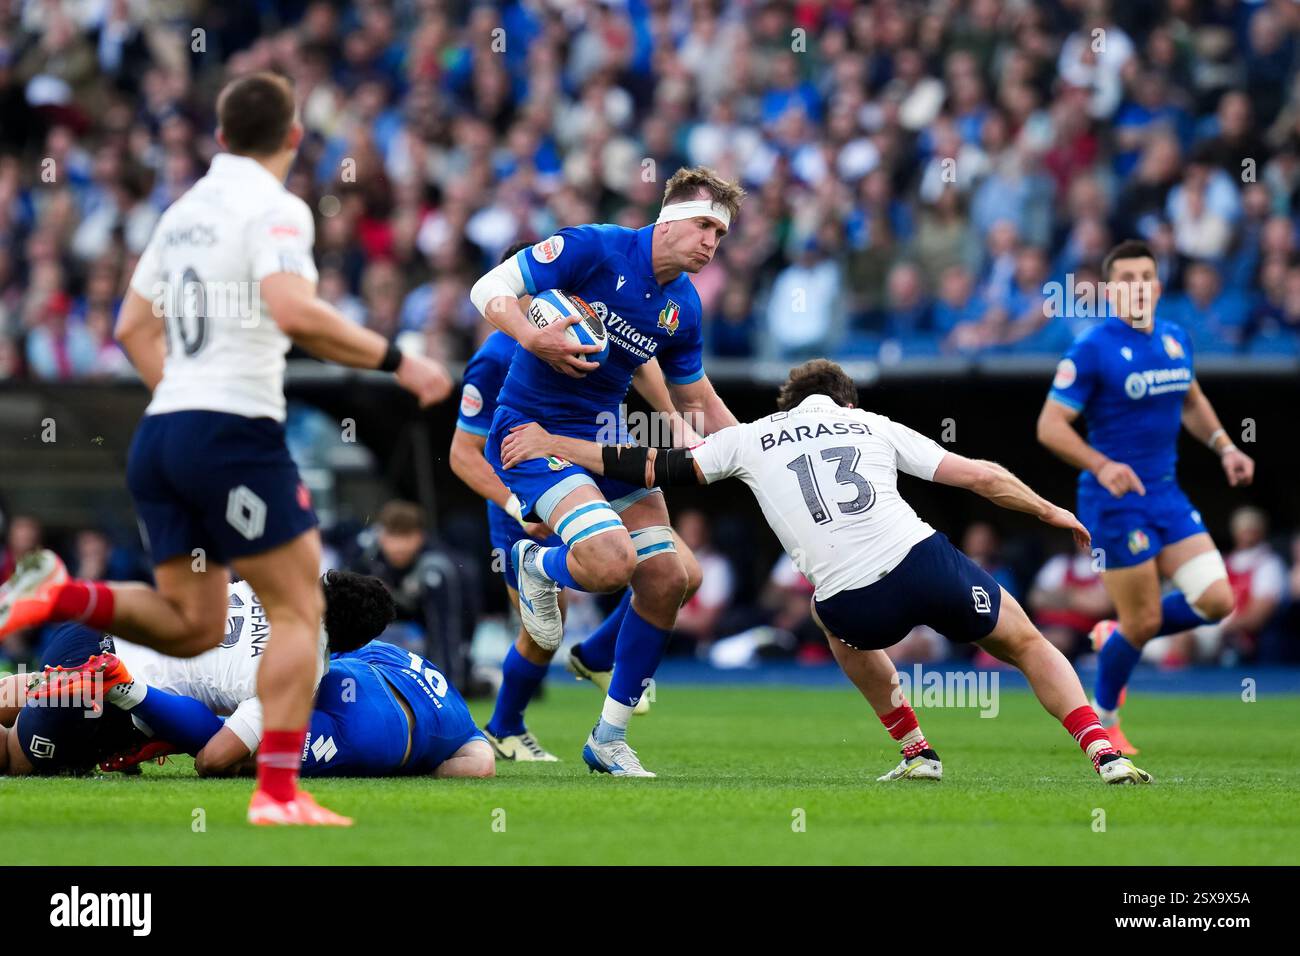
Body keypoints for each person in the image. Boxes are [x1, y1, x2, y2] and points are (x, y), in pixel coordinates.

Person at [0, 72, 453, 824]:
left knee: (194, 622)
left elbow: (129, 330)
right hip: (231, 430)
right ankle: (276, 796)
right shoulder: (274, 207)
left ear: (218, 137)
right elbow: (292, 309)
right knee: (304, 606)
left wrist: (178, 399)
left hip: (163, 434)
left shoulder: (184, 213)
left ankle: (61, 595)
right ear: (294, 138)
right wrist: (398, 361)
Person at [501, 358, 1152, 785]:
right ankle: (1101, 749)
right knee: (1027, 643)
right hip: (922, 563)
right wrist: (1049, 510)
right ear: (844, 400)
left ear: (790, 401)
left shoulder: (752, 437)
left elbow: (649, 468)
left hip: (852, 603)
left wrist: (557, 445)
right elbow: (980, 476)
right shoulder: (870, 424)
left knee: (828, 615)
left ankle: (917, 751)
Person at [468, 166, 742, 777]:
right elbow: (488, 287)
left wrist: (760, 443)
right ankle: (537, 567)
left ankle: (608, 738)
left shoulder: (684, 306)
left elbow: (693, 390)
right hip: (529, 432)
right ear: (667, 218)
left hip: (602, 435)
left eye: (719, 236)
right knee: (611, 564)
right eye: (702, 226)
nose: (710, 243)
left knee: (672, 576)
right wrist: (530, 338)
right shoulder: (592, 246)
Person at [450, 243, 702, 759]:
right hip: (520, 482)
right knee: (546, 628)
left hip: (586, 451)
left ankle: (594, 656)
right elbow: (462, 454)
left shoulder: (591, 317)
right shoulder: (496, 356)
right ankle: (505, 725)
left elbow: (640, 360)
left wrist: (672, 414)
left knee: (682, 574)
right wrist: (518, 507)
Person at [1037, 239, 1253, 753]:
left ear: (1157, 287)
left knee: (1218, 600)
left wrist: (1226, 447)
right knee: (1145, 622)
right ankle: (1106, 719)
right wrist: (1103, 464)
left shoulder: (1176, 338)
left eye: (1145, 279)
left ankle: (1114, 638)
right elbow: (1050, 426)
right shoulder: (1091, 347)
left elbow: (1192, 399)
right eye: (1125, 280)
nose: (1136, 289)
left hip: (1167, 496)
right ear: (1111, 291)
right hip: (1114, 503)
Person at [0, 571, 381, 775]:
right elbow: (213, 759)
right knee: (13, 755)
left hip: (91, 630)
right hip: (111, 687)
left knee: (23, 693)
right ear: (354, 641)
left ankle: (45, 687)